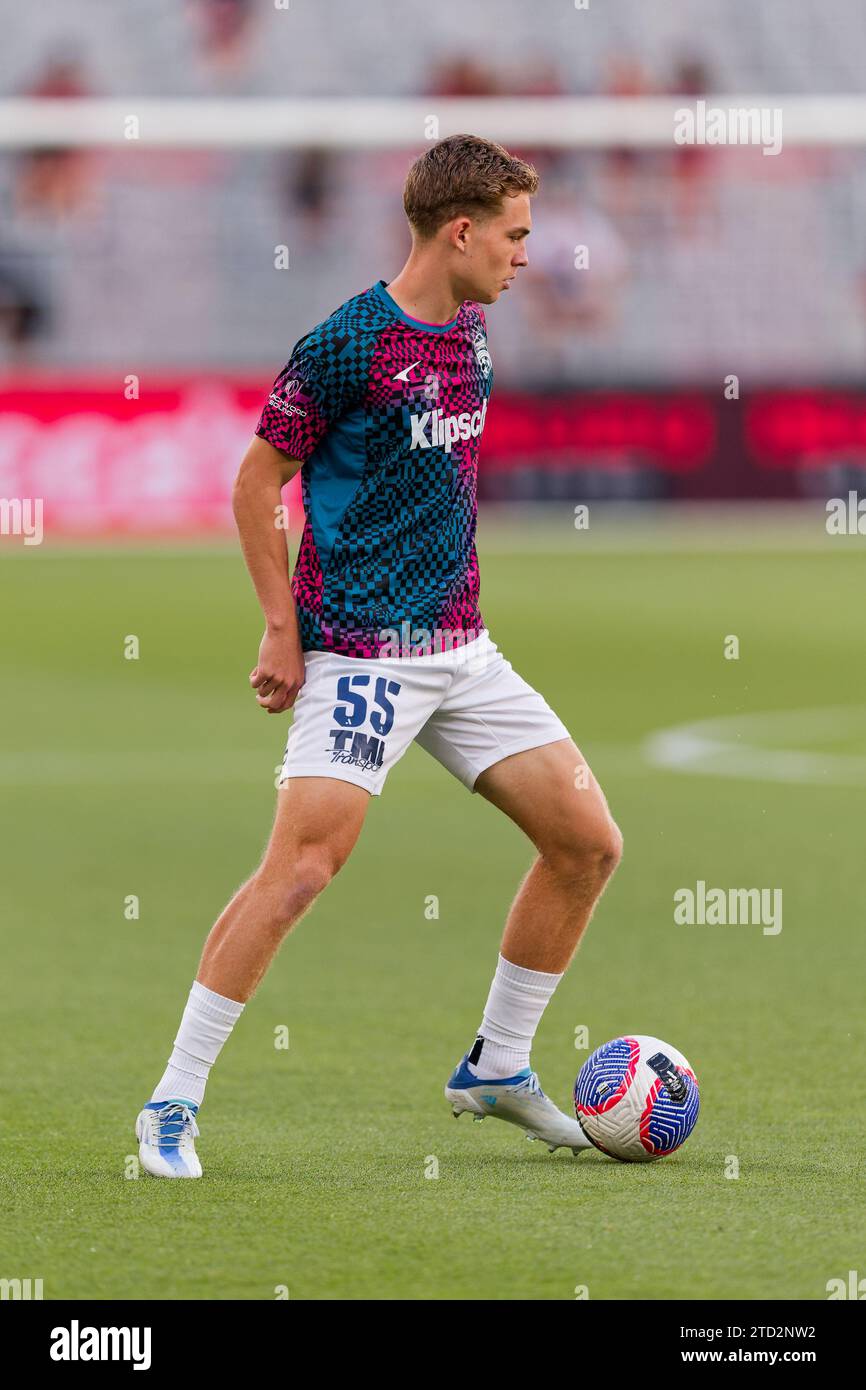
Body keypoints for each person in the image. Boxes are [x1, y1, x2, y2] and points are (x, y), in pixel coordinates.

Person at [135, 133, 622, 1178]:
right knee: (303, 869)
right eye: (512, 233)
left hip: (464, 650)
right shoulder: (346, 342)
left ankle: (496, 1063)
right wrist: (281, 628)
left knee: (586, 841)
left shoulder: (476, 330)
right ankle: (171, 1100)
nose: (524, 254)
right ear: (458, 231)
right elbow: (254, 483)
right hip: (361, 653)